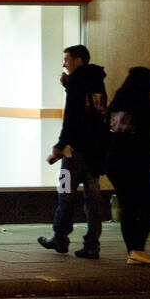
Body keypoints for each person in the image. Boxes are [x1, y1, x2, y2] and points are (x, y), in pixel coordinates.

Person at [38, 44, 109, 259]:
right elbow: (94, 114)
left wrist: (60, 145)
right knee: (93, 199)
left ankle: (60, 238)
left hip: (73, 154)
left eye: (67, 59)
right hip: (94, 153)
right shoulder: (97, 81)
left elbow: (73, 117)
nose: (64, 64)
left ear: (78, 60)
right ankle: (92, 244)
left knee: (65, 194)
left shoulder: (77, 82)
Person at [104, 67, 150, 265]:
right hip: (135, 162)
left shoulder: (118, 102)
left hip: (115, 161)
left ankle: (134, 250)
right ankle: (137, 248)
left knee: (129, 206)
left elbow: (107, 130)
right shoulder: (145, 103)